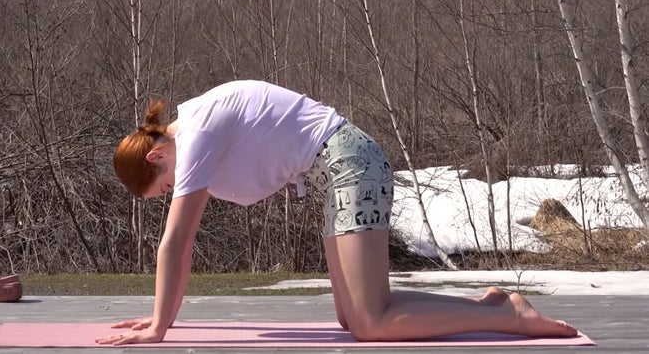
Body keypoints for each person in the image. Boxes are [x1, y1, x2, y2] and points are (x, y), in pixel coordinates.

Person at [96, 80, 577, 345]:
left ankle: (513, 318)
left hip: (352, 164)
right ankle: (491, 306)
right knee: (355, 320)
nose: (171, 194)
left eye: (162, 190)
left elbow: (177, 242)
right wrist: (163, 319)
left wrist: (160, 326)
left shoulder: (194, 137)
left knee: (372, 324)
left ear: (157, 158)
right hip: (339, 172)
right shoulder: (198, 124)